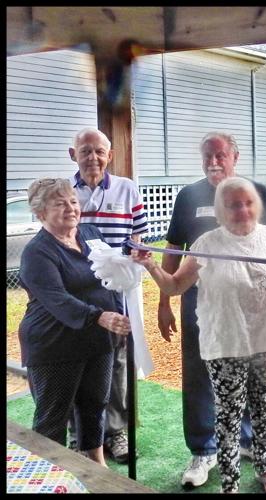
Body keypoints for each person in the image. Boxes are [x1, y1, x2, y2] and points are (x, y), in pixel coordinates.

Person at [133, 177, 266, 493]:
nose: (242, 209)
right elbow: (175, 285)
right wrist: (150, 265)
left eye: (247, 203)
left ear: (257, 206)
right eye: (233, 204)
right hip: (225, 341)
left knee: (263, 407)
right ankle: (229, 483)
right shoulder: (207, 244)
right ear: (220, 210)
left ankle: (264, 468)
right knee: (229, 415)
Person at [158, 131, 266, 488]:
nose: (213, 162)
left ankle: (248, 443)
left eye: (220, 155)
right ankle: (203, 449)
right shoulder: (188, 196)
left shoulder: (256, 193)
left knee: (253, 373)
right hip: (201, 302)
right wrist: (165, 301)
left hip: (251, 303)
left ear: (234, 158)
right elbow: (173, 249)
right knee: (199, 374)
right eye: (207, 155)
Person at [18, 178, 132, 467]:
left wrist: (120, 317)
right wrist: (101, 316)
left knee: (95, 406)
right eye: (59, 203)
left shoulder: (91, 233)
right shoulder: (37, 252)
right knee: (53, 417)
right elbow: (57, 300)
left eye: (72, 201)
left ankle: (96, 465)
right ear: (40, 213)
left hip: (98, 340)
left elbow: (112, 277)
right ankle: (50, 474)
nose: (70, 208)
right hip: (55, 345)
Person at [67, 127, 148, 464]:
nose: (93, 157)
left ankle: (116, 434)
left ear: (109, 155)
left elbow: (140, 239)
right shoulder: (63, 191)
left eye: (99, 151)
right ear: (73, 155)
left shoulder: (128, 189)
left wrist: (134, 258)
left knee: (117, 362)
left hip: (118, 291)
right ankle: (79, 437)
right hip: (78, 290)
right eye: (85, 151)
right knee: (76, 360)